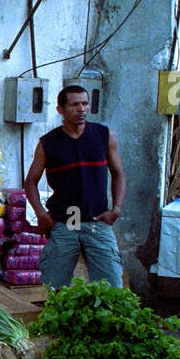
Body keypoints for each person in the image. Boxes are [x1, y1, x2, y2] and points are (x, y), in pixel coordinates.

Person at [24, 85, 126, 289]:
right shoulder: (48, 143)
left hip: (97, 221)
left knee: (112, 288)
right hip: (65, 221)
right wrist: (40, 213)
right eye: (74, 104)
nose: (81, 109)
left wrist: (116, 209)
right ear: (60, 109)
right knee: (55, 288)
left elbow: (118, 173)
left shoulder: (104, 135)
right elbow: (30, 182)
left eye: (85, 103)